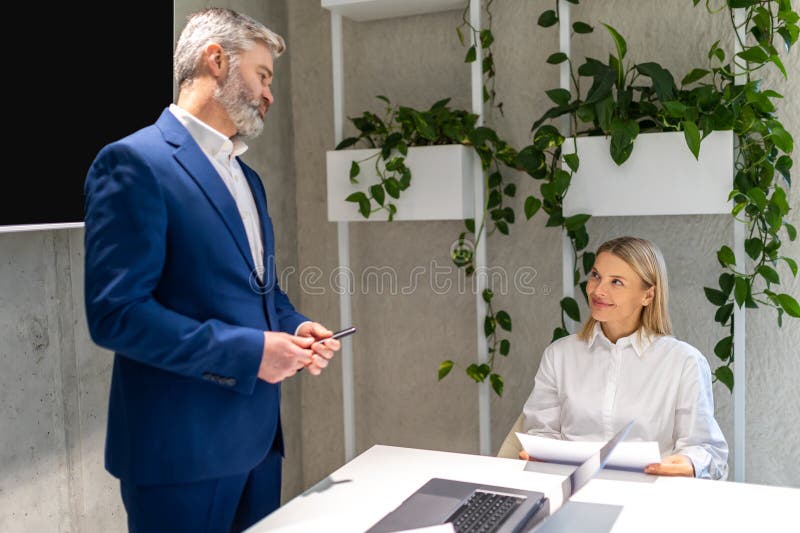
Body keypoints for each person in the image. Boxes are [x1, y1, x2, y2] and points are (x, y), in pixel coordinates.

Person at [83, 8, 340, 531]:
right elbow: (117, 315)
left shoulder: (248, 177)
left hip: (259, 446)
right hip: (180, 456)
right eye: (262, 76)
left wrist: (292, 326)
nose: (270, 94)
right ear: (216, 61)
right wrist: (251, 352)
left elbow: (259, 290)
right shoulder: (131, 163)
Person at [519, 236, 728, 480]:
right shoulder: (559, 355)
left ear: (648, 296)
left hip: (649, 495)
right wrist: (540, 451)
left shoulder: (684, 362)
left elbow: (707, 450)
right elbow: (540, 431)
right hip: (572, 490)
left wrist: (689, 462)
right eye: (596, 275)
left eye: (616, 282)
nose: (598, 290)